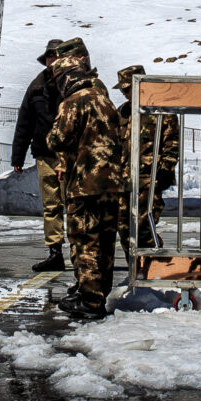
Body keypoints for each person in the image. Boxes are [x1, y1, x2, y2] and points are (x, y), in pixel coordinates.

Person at [40, 39, 123, 320]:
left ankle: (90, 301)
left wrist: (52, 135)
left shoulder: (73, 103)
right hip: (112, 183)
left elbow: (58, 139)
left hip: (84, 183)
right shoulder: (104, 98)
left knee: (85, 241)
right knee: (105, 242)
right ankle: (100, 292)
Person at [10, 39, 69, 272]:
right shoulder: (36, 87)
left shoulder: (74, 84)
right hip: (45, 155)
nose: (53, 60)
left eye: (57, 56)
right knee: (51, 205)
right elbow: (25, 122)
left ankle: (81, 252)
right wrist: (18, 157)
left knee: (73, 204)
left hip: (71, 156)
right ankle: (55, 252)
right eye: (50, 57)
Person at [114, 65, 181, 254]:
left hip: (149, 180)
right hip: (125, 181)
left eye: (128, 88)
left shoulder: (160, 111)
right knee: (124, 228)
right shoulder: (123, 112)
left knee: (144, 226)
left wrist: (162, 169)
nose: (125, 93)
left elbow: (172, 144)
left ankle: (152, 265)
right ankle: (135, 268)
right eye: (123, 90)